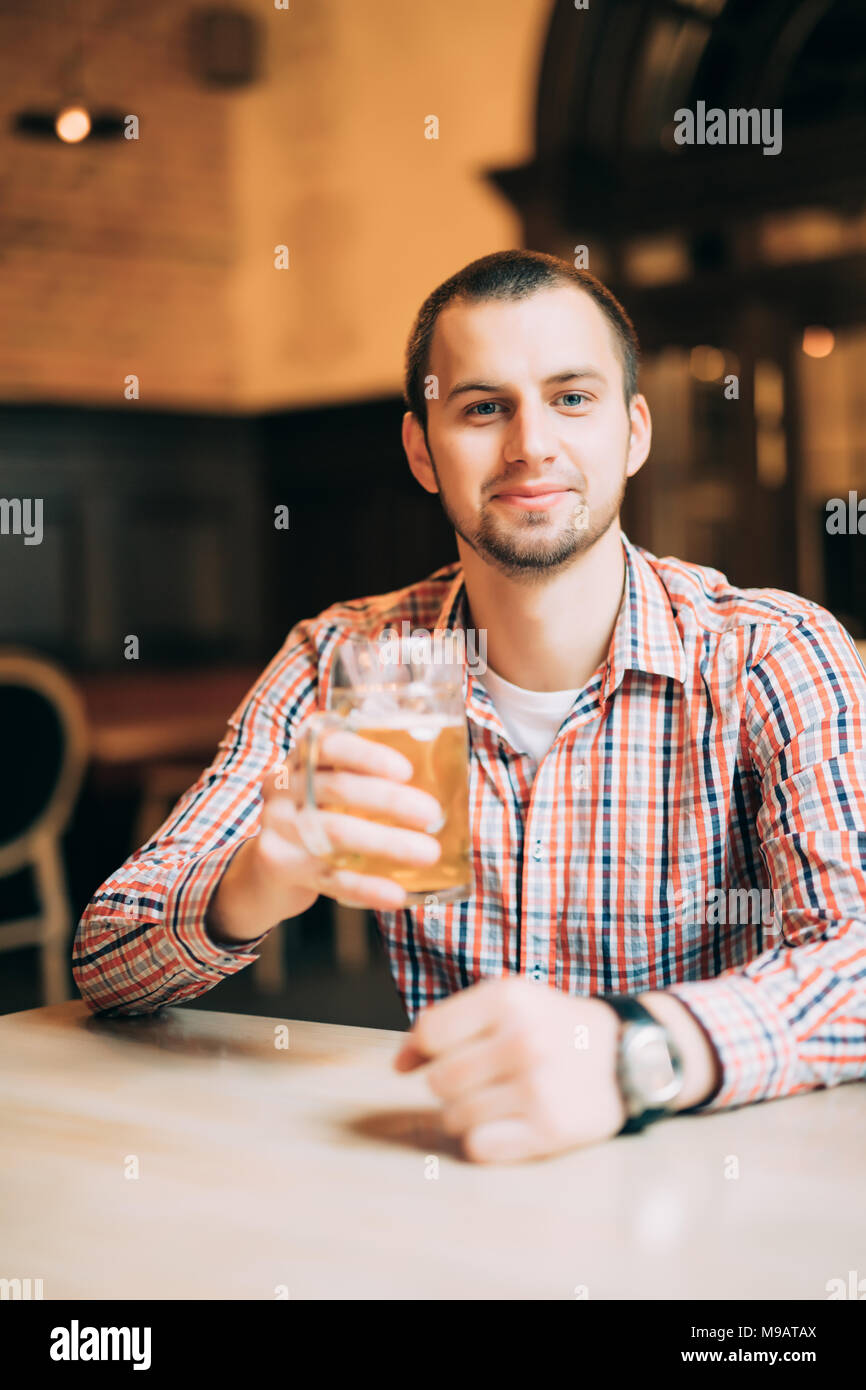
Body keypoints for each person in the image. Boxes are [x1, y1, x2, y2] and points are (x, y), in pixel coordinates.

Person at [74, 250, 866, 1164]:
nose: (531, 444)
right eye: (484, 407)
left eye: (572, 398)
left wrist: (629, 1055)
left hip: (718, 1193)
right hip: (459, 1191)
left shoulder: (771, 651)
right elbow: (103, 957)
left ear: (634, 432)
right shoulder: (343, 657)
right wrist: (253, 880)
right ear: (421, 450)